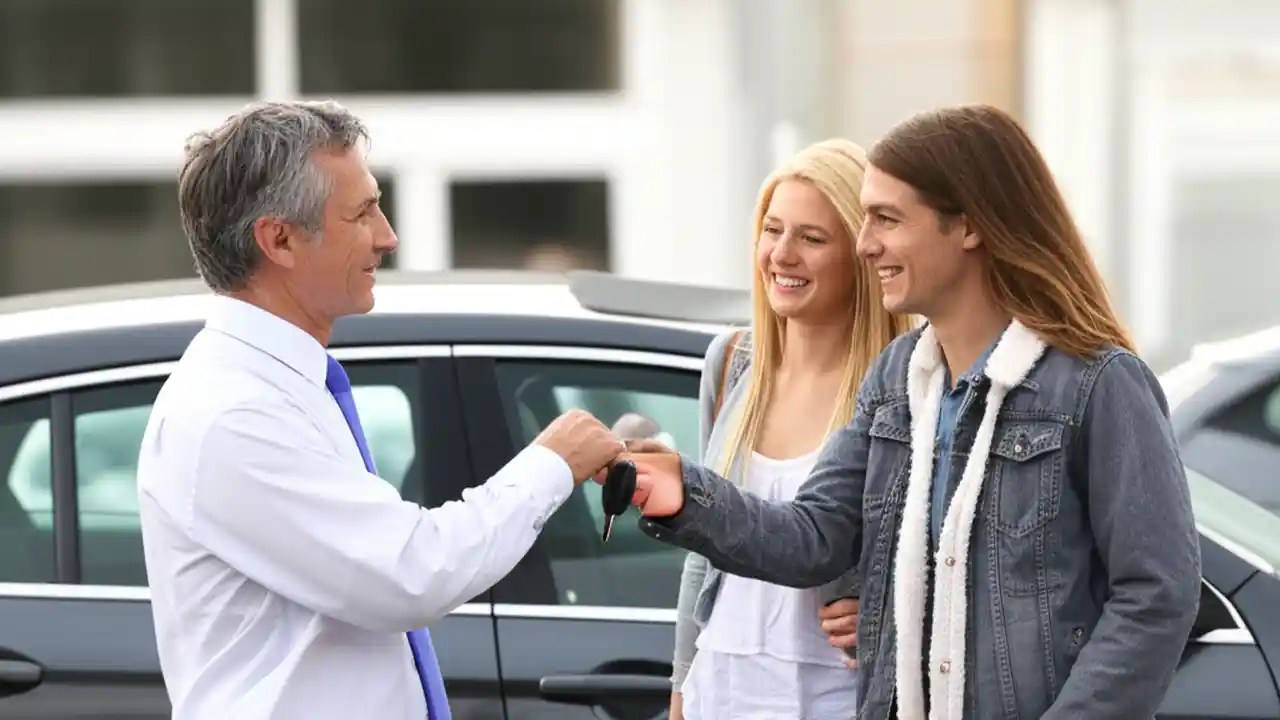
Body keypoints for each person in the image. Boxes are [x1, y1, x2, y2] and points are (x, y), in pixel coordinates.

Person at [625, 104, 1201, 719]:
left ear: (970, 227)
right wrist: (684, 492)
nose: (866, 243)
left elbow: (1155, 596)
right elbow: (813, 536)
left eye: (887, 219)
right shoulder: (897, 379)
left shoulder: (1098, 384)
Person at [136, 100, 624, 720]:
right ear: (279, 239)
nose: (387, 236)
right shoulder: (232, 413)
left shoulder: (274, 387)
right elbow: (410, 572)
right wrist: (554, 462)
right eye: (362, 212)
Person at [641, 139, 913, 720]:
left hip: (835, 699)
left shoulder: (903, 387)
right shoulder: (733, 362)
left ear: (862, 254)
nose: (782, 254)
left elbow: (936, 553)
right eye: (772, 230)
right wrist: (680, 693)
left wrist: (883, 612)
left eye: (812, 239)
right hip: (723, 689)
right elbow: (701, 556)